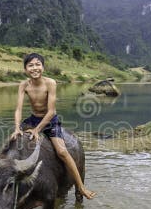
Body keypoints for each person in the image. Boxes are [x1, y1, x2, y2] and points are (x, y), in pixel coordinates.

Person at [9, 52, 97, 199]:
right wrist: (17, 128)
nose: (34, 68)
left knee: (62, 151)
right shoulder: (23, 85)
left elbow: (50, 112)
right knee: (14, 143)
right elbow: (18, 109)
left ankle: (81, 186)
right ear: (25, 70)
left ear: (43, 67)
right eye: (30, 65)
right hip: (32, 120)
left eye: (38, 64)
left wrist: (37, 130)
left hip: (50, 121)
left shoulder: (50, 83)